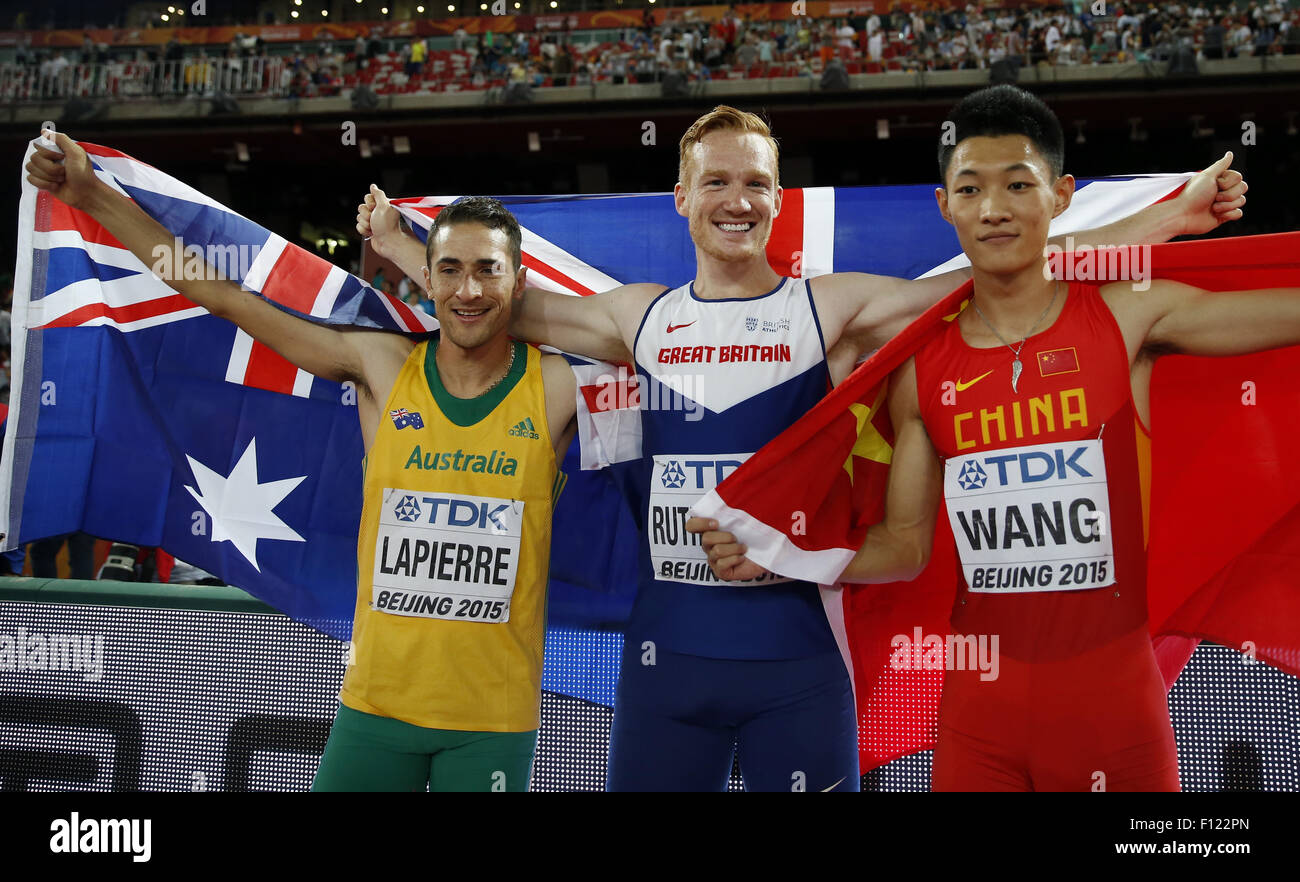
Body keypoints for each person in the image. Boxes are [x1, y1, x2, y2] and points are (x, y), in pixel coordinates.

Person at [357, 104, 1245, 792]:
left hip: (800, 672)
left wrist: (1166, 221)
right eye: (714, 182)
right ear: (682, 198)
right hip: (665, 668)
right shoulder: (641, 317)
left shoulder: (830, 310)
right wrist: (399, 247)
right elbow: (486, 304)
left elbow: (1005, 267)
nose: (735, 200)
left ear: (776, 200)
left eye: (753, 183)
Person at [695, 85, 1289, 792]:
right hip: (981, 723)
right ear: (945, 206)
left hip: (1118, 714)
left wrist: (1163, 223)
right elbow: (904, 548)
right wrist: (781, 551)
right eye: (970, 189)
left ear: (1061, 195)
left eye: (1018, 185)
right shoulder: (924, 365)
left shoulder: (1130, 317)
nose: (994, 208)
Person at [27, 134, 579, 792]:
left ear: (518, 282)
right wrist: (90, 195)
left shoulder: (555, 386)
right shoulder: (383, 366)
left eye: (488, 269)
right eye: (450, 270)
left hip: (492, 718)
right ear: (427, 281)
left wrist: (403, 244)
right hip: (375, 706)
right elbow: (227, 297)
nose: (468, 289)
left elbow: (640, 330)